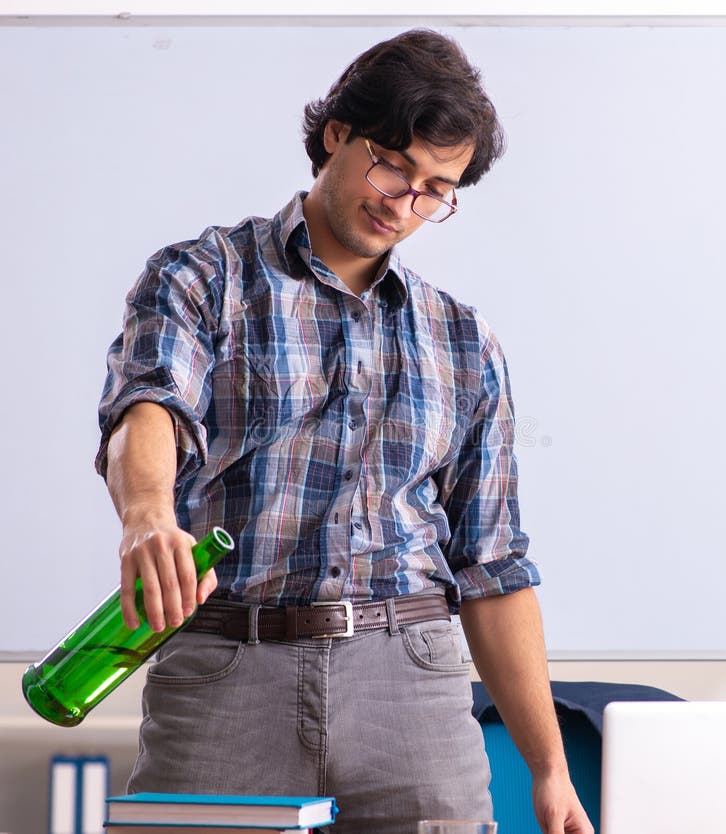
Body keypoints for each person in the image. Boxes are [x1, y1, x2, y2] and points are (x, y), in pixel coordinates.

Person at [96, 29, 593, 834]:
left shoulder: (463, 340)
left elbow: (492, 561)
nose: (405, 202)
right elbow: (149, 403)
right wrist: (148, 512)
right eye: (393, 165)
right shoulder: (203, 277)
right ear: (336, 136)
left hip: (411, 680)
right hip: (227, 668)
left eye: (436, 189)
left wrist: (548, 767)